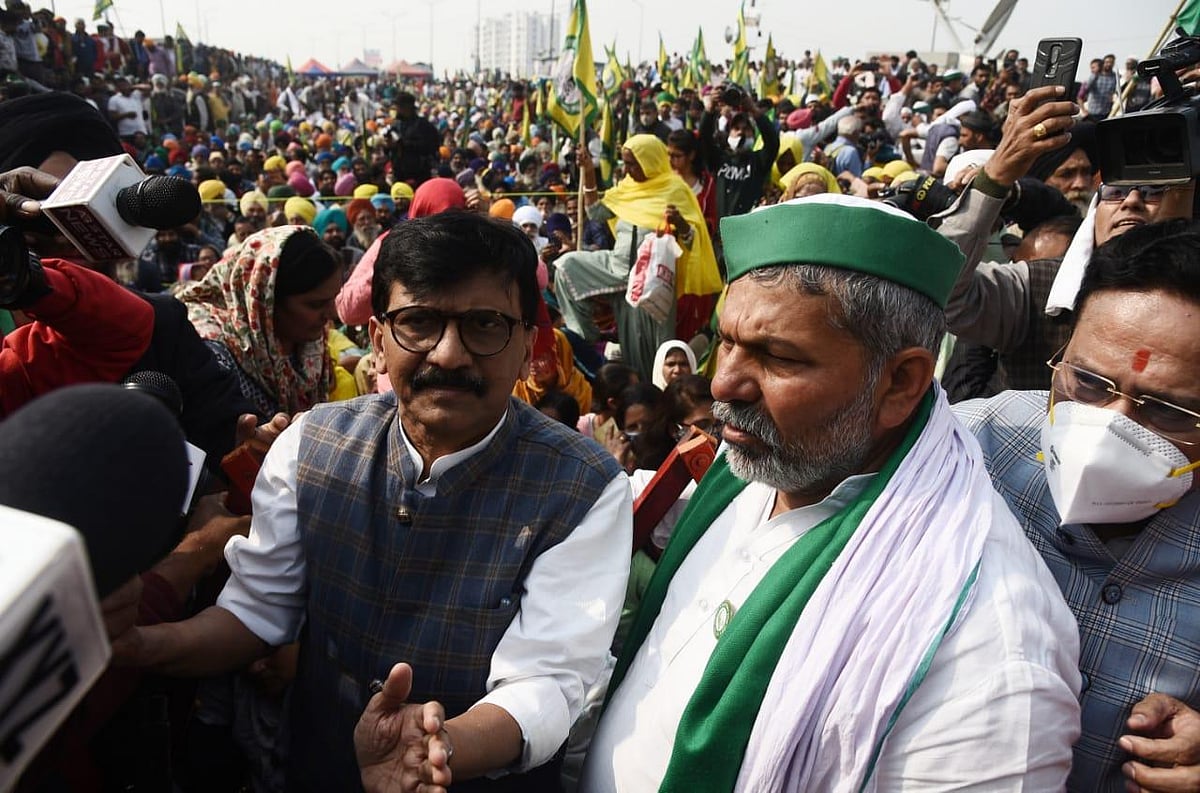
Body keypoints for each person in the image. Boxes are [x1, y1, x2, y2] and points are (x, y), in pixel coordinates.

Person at [117, 212, 632, 793]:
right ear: (379, 342)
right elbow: (258, 611)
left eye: (485, 325)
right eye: (419, 323)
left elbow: (549, 681)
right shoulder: (309, 444)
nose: (449, 355)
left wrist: (436, 750)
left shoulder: (584, 486)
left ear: (527, 346)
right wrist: (142, 645)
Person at [582, 195, 1081, 791]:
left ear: (900, 382)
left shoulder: (985, 651)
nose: (723, 382)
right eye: (728, 341)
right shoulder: (754, 466)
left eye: (776, 356)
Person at [954, 219, 1200, 792]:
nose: (1108, 431)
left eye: (1166, 411)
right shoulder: (967, 451)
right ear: (1059, 355)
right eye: (1088, 384)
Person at [557, 135, 721, 381]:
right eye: (625, 163)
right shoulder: (627, 188)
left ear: (650, 161)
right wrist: (589, 171)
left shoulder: (675, 190)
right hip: (616, 272)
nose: (628, 170)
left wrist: (680, 223)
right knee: (565, 266)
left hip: (653, 284)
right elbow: (595, 212)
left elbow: (694, 238)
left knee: (655, 351)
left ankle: (660, 403)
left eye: (633, 164)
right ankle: (587, 335)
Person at [178, 225, 340, 417]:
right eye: (315, 304)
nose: (331, 314)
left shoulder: (308, 344)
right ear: (264, 301)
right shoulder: (209, 356)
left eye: (333, 299)